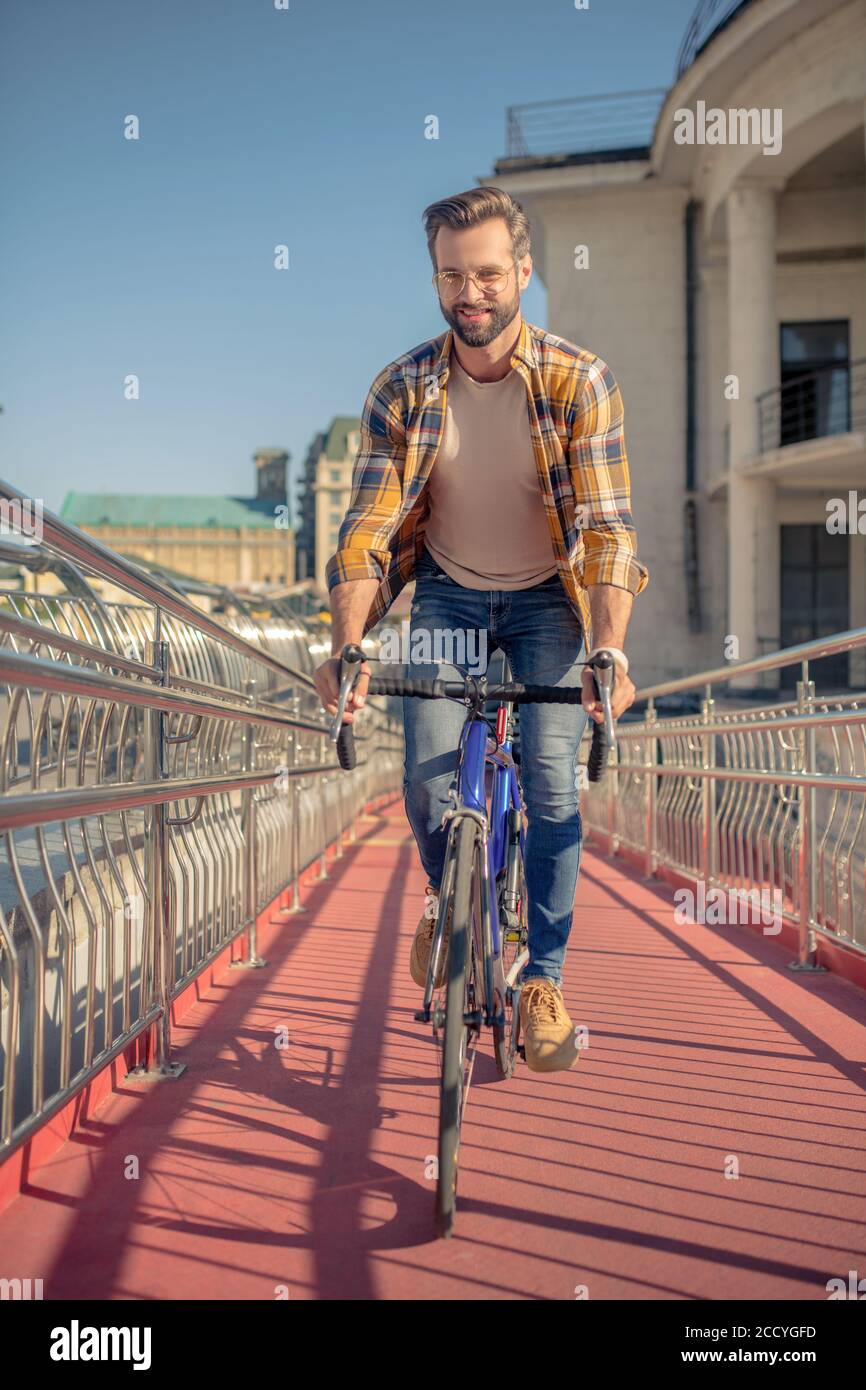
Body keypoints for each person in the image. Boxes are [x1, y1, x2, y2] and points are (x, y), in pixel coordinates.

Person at [314, 185, 647, 1073]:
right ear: (435, 280)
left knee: (548, 782)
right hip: (449, 597)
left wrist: (608, 648)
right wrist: (348, 645)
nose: (472, 293)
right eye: (453, 276)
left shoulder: (583, 382)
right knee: (424, 780)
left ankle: (542, 977)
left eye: (490, 273)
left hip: (548, 600)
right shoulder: (402, 385)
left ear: (524, 273)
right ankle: (446, 898)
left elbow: (609, 532)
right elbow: (369, 532)